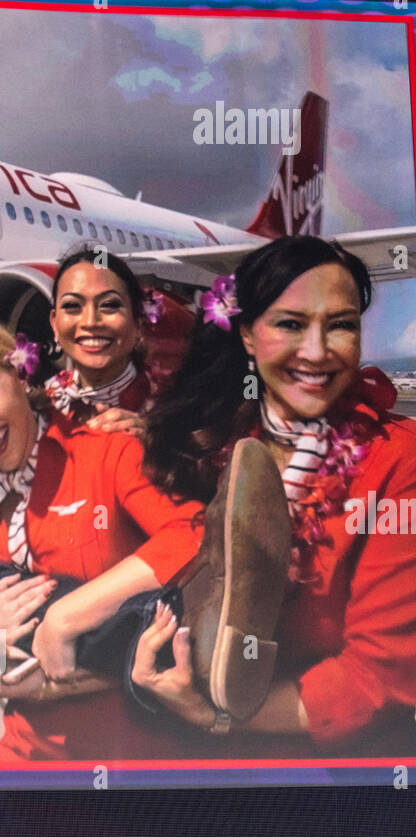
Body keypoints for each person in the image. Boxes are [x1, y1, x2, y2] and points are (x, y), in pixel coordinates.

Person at [131, 235, 416, 757]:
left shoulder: (399, 463)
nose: (316, 351)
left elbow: (378, 679)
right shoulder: (208, 442)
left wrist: (217, 717)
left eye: (341, 325)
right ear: (246, 335)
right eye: (290, 324)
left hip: (334, 777)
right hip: (180, 754)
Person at [0, 314, 205, 760]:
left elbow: (194, 536)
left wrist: (69, 613)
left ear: (17, 371)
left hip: (133, 758)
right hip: (25, 756)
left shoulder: (106, 450)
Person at [44, 244, 156, 436]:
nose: (90, 322)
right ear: (54, 324)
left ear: (138, 323)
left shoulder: (171, 409)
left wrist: (156, 446)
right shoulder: (36, 405)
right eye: (72, 305)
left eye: (109, 305)